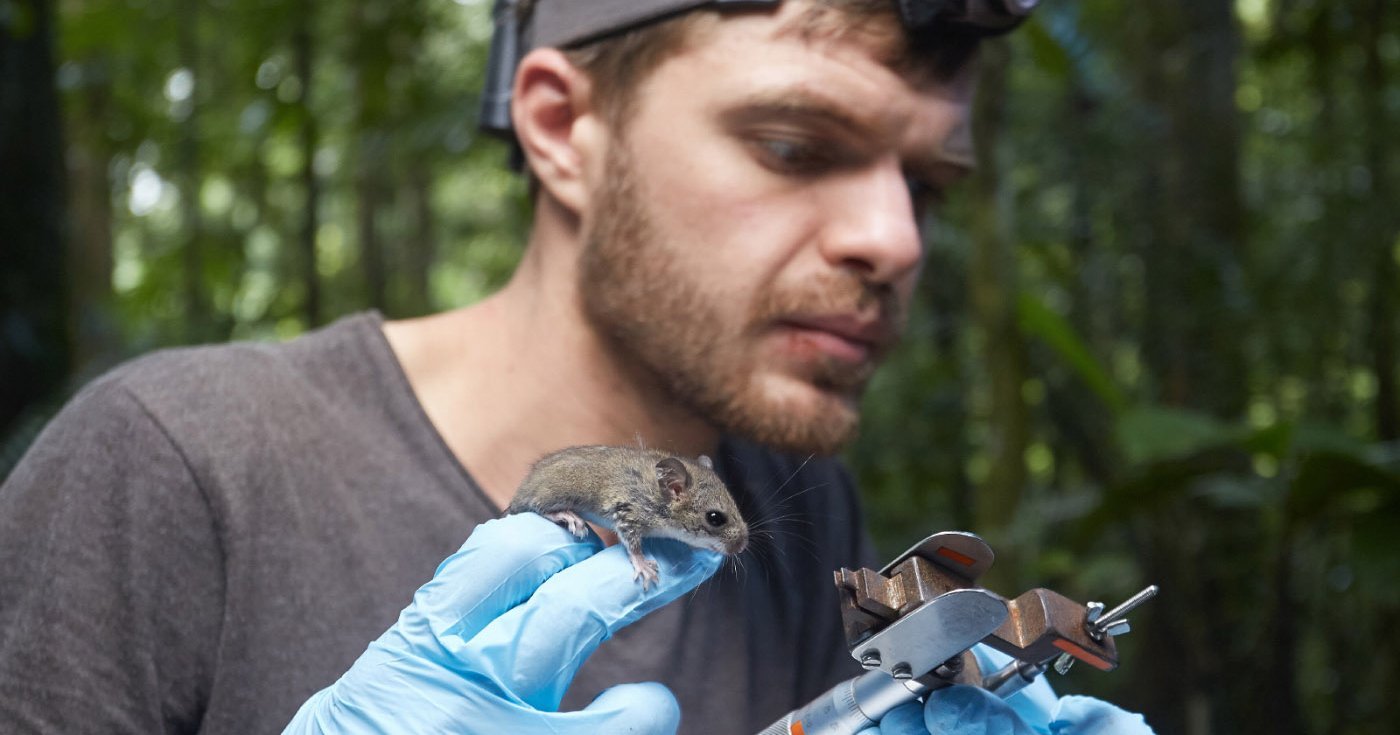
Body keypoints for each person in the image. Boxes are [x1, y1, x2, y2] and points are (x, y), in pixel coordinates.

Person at [0, 1, 1153, 733]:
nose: (893, 241)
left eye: (928, 187)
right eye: (793, 146)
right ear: (560, 128)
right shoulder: (178, 461)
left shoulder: (802, 523)